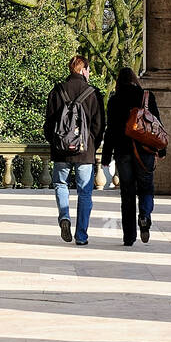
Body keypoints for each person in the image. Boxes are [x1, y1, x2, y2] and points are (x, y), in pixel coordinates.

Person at [43, 54, 105, 247]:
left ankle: (64, 218)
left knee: (61, 184)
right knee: (84, 193)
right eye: (88, 70)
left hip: (61, 149)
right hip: (85, 151)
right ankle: (81, 236)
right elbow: (99, 125)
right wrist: (91, 143)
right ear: (83, 70)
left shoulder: (57, 91)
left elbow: (49, 124)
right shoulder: (93, 93)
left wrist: (56, 142)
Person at [102, 67, 166, 247]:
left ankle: (129, 237)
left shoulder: (115, 100)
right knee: (146, 188)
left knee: (127, 194)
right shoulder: (146, 96)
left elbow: (111, 131)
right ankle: (144, 216)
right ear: (135, 79)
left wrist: (106, 156)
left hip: (123, 152)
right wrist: (161, 150)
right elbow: (157, 125)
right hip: (144, 150)